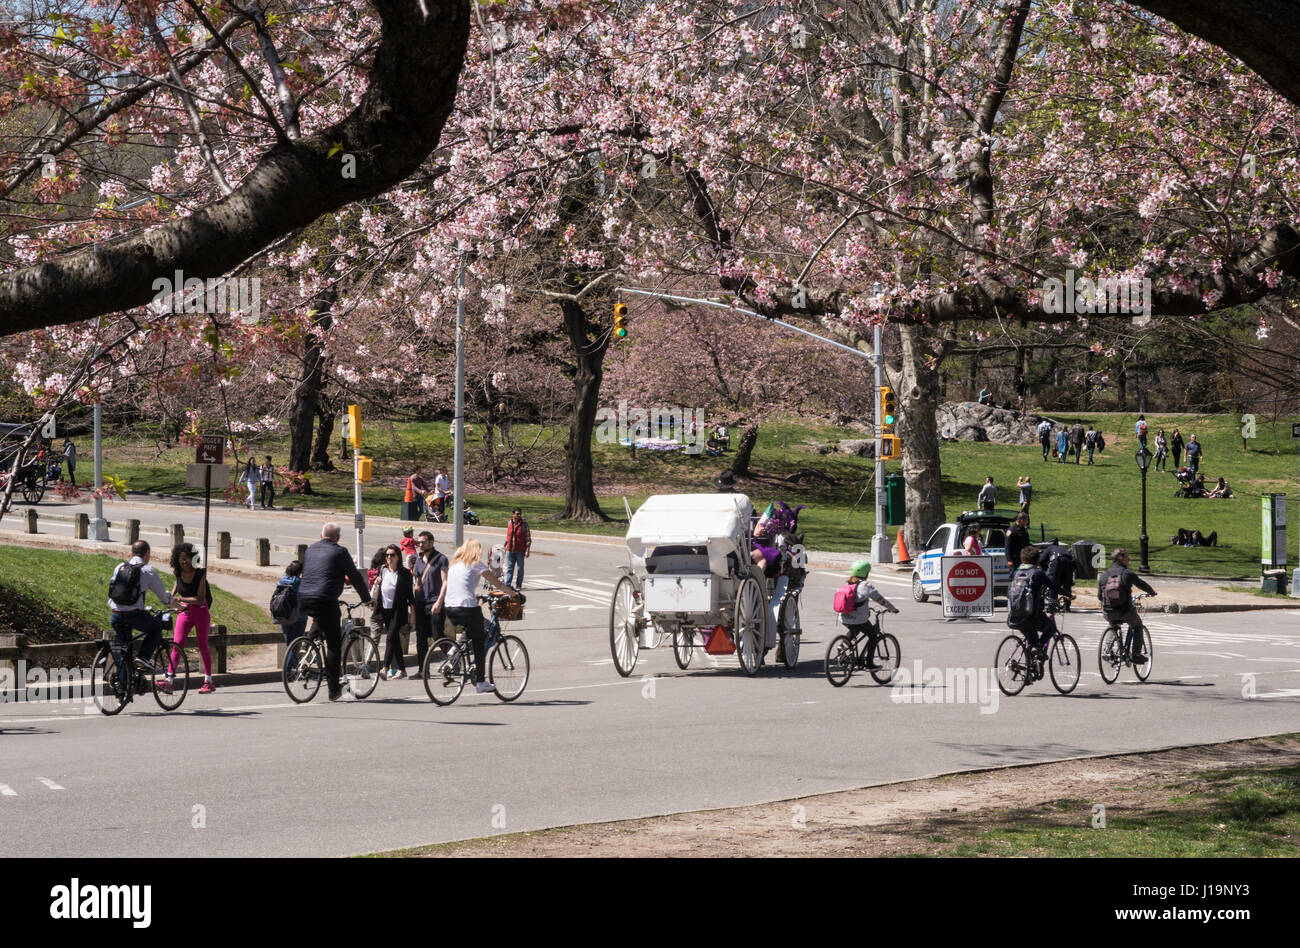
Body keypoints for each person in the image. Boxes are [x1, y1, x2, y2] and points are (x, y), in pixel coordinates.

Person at [298, 522, 372, 701]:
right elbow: (355, 576)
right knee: (334, 644)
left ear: (321, 535)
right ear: (337, 538)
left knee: (321, 620)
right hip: (325, 599)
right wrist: (366, 598)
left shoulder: (310, 550)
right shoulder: (340, 552)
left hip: (304, 598)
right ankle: (334, 689)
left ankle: (307, 644)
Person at [444, 538, 519, 693]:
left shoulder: (454, 565)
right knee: (479, 642)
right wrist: (512, 593)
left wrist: (475, 595)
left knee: (471, 630)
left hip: (450, 608)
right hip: (467, 608)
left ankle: (455, 650)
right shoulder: (476, 564)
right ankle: (480, 682)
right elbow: (497, 584)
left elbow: (461, 586)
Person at [107, 540, 174, 699]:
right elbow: (163, 597)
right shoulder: (147, 570)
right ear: (147, 554)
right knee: (156, 628)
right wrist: (174, 602)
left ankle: (122, 689)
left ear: (131, 553)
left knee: (124, 649)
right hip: (133, 615)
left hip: (115, 614)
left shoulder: (119, 567)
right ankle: (143, 658)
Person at [166, 542, 215, 694]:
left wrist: (180, 599)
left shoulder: (200, 574)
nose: (184, 561)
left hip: (200, 611)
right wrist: (170, 598)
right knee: (177, 645)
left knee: (202, 645)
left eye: (187, 558)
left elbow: (200, 599)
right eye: (181, 558)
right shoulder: (177, 572)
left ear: (193, 558)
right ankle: (169, 681)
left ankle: (208, 681)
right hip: (185, 612)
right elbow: (176, 586)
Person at [1006, 547, 1070, 660]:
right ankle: (1039, 646)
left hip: (1014, 617)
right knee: (1051, 628)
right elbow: (1053, 587)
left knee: (1032, 637)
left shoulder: (1016, 573)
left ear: (1022, 559)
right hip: (1032, 617)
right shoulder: (1037, 573)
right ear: (1037, 560)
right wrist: (1069, 595)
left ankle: (1031, 665)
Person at [838, 560, 899, 671]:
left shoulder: (848, 584)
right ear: (866, 573)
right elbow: (880, 599)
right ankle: (869, 663)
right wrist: (892, 609)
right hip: (858, 618)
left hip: (843, 617)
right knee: (873, 636)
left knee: (854, 629)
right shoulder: (866, 586)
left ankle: (842, 645)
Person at [1098, 548, 1156, 664]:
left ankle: (1107, 650)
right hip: (1125, 611)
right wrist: (1152, 592)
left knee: (1113, 624)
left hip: (1108, 612)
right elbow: (1141, 584)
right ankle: (1136, 655)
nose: (1129, 559)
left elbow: (1100, 596)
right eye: (1127, 557)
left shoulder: (1104, 575)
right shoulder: (1127, 573)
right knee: (1138, 626)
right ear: (1121, 558)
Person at [373, 544, 417, 680]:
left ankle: (385, 668)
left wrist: (413, 614)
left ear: (398, 557)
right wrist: (377, 582)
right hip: (385, 610)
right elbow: (379, 590)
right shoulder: (383, 570)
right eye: (387, 555)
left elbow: (410, 596)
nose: (389, 557)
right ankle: (402, 670)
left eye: (392, 555)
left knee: (391, 636)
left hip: (398, 610)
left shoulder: (404, 574)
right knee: (395, 640)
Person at [410, 530, 448, 679]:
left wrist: (439, 601)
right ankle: (423, 670)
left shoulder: (441, 559)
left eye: (423, 542)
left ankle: (454, 658)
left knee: (438, 635)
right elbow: (418, 584)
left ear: (431, 542)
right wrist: (413, 607)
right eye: (418, 542)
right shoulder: (418, 561)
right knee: (421, 638)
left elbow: (445, 582)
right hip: (421, 603)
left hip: (435, 602)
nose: (420, 545)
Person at [273, 560, 308, 647]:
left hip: (284, 615)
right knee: (295, 646)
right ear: (300, 571)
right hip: (299, 617)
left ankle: (289, 656)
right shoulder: (301, 583)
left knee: (289, 645)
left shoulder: (281, 581)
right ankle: (291, 657)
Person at [504, 508, 531, 589]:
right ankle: (507, 585)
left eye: (519, 514)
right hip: (510, 550)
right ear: (513, 514)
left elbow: (528, 538)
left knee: (520, 568)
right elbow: (508, 536)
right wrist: (504, 545)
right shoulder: (509, 522)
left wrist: (527, 550)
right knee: (509, 568)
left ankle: (518, 585)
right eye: (517, 514)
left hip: (520, 550)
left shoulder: (524, 524)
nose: (518, 515)